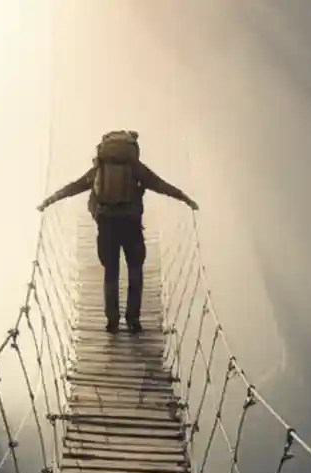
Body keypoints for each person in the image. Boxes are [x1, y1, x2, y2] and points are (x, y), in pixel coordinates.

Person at [37, 130, 198, 333]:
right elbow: (160, 185)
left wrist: (49, 201)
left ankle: (112, 321)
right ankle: (133, 320)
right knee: (135, 271)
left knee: (110, 273)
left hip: (106, 225)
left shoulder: (100, 168)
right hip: (131, 225)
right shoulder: (135, 168)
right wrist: (185, 198)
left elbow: (75, 187)